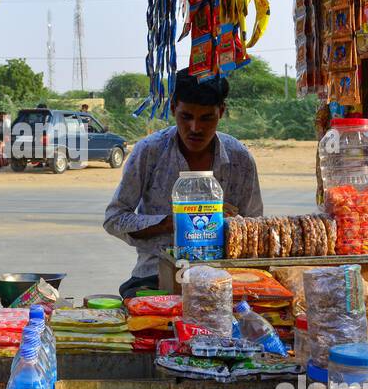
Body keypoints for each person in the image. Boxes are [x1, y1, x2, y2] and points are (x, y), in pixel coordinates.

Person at [104, 69, 263, 300]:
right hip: (155, 276)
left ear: (221, 112)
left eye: (206, 118)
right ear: (172, 109)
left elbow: (255, 229)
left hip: (224, 278)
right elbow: (114, 219)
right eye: (186, 117)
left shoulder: (241, 159)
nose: (195, 128)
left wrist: (227, 226)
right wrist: (176, 222)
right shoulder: (149, 151)